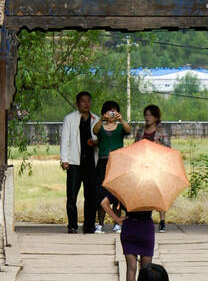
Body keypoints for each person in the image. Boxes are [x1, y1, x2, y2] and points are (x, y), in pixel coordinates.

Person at [100, 189, 155, 281]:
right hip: (146, 228)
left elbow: (104, 203)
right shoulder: (151, 189)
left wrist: (117, 219)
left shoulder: (123, 188)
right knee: (146, 269)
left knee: (131, 268)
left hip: (129, 226)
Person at [60, 90, 100, 234]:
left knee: (91, 197)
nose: (86, 104)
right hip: (74, 162)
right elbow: (65, 140)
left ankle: (89, 226)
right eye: (83, 101)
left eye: (88, 101)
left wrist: (96, 142)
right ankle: (72, 225)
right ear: (77, 104)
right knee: (71, 196)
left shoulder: (96, 119)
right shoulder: (69, 119)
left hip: (91, 162)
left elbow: (101, 138)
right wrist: (64, 159)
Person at [93, 100, 131, 232]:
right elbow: (95, 130)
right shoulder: (101, 126)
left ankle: (117, 223)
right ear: (104, 113)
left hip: (118, 163)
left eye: (114, 111)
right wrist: (101, 120)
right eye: (109, 111)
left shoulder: (120, 127)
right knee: (101, 192)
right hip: (103, 162)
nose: (112, 113)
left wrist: (122, 119)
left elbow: (128, 130)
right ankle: (100, 223)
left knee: (117, 194)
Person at [134, 104, 171, 231]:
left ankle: (162, 220)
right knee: (144, 192)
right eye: (146, 115)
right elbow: (135, 147)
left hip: (157, 165)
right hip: (143, 165)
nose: (147, 117)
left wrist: (156, 146)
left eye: (150, 115)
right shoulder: (140, 131)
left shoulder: (162, 132)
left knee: (159, 192)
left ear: (156, 117)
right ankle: (145, 217)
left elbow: (168, 149)